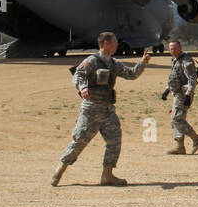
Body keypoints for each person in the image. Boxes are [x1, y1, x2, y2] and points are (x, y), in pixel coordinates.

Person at [52, 32, 150, 187]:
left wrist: (142, 63)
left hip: (107, 110)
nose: (117, 45)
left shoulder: (114, 63)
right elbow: (78, 75)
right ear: (105, 43)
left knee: (114, 140)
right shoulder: (91, 61)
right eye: (115, 42)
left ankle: (107, 175)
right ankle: (59, 171)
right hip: (91, 109)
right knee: (79, 141)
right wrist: (83, 88)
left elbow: (131, 75)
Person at [165, 39, 198, 155]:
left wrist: (188, 94)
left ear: (180, 48)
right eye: (171, 48)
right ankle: (179, 147)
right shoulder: (175, 60)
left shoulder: (186, 61)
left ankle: (196, 139)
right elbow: (175, 77)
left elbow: (192, 79)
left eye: (175, 48)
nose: (173, 50)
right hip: (176, 93)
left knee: (177, 119)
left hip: (184, 94)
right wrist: (166, 90)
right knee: (175, 119)